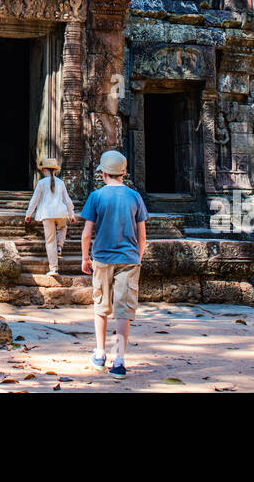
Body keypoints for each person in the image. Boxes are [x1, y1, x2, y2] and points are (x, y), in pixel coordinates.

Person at [80, 149, 148, 380]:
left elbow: (87, 233)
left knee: (100, 306)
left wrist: (85, 258)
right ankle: (119, 360)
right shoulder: (134, 196)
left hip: (102, 258)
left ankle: (100, 353)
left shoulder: (96, 196)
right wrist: (137, 257)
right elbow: (142, 235)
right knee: (123, 311)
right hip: (129, 260)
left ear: (103, 173)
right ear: (123, 172)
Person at [24, 158, 76, 276]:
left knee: (50, 240)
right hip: (61, 213)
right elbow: (67, 200)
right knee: (62, 228)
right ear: (55, 171)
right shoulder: (61, 183)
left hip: (47, 215)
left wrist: (28, 214)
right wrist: (71, 215)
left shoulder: (41, 183)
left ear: (45, 171)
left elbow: (35, 200)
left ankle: (53, 268)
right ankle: (59, 246)